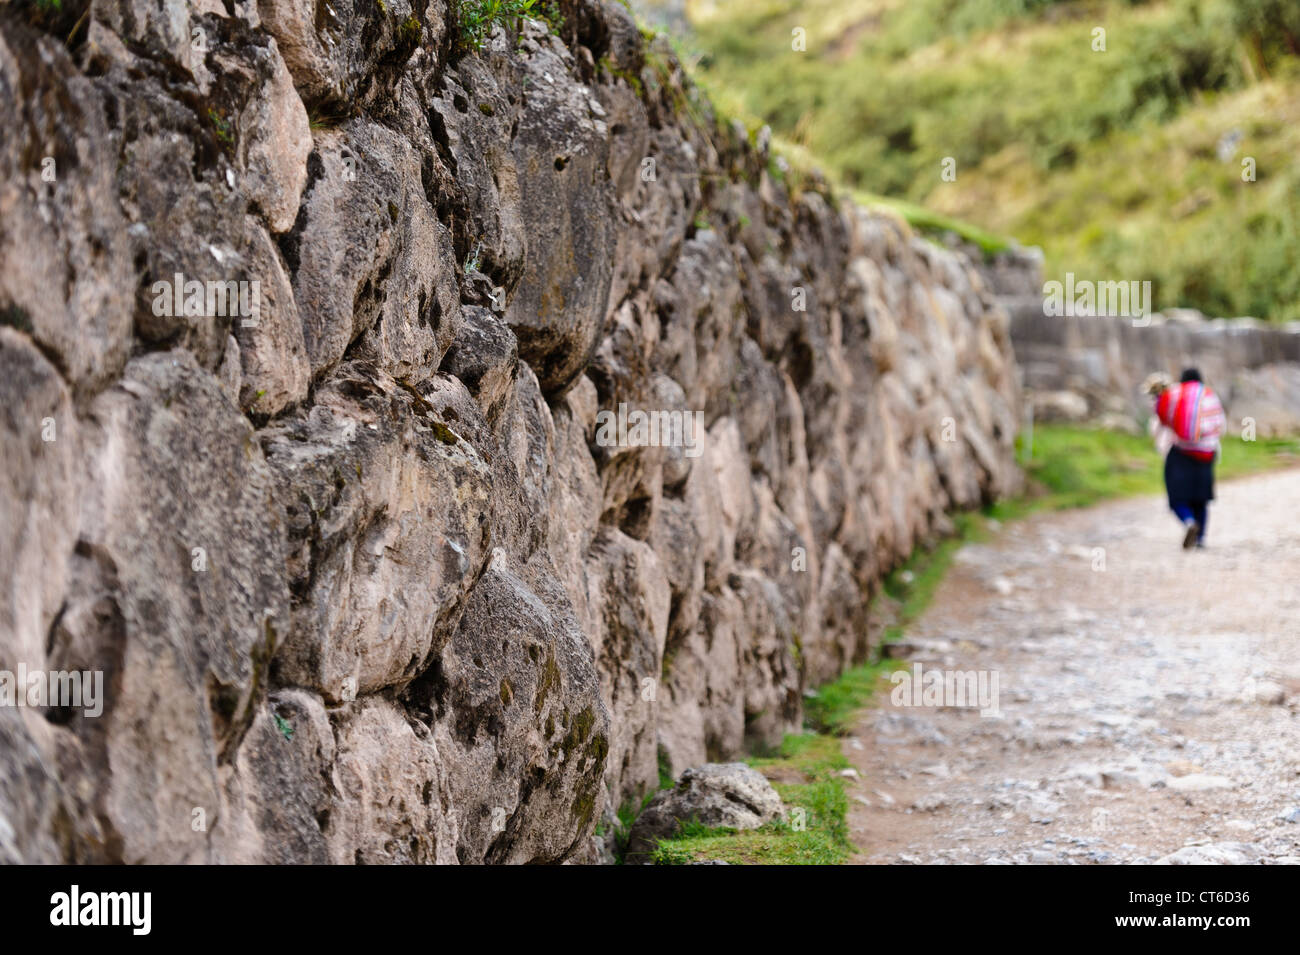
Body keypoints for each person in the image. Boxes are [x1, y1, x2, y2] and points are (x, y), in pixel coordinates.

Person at [1144, 368, 1225, 549]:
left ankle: (1188, 521)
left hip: (1181, 453)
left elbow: (1160, 418)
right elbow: (1221, 425)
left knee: (1176, 496)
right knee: (1201, 498)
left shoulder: (1174, 394)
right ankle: (1201, 539)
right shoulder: (1210, 395)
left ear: (1181, 380)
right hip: (1206, 454)